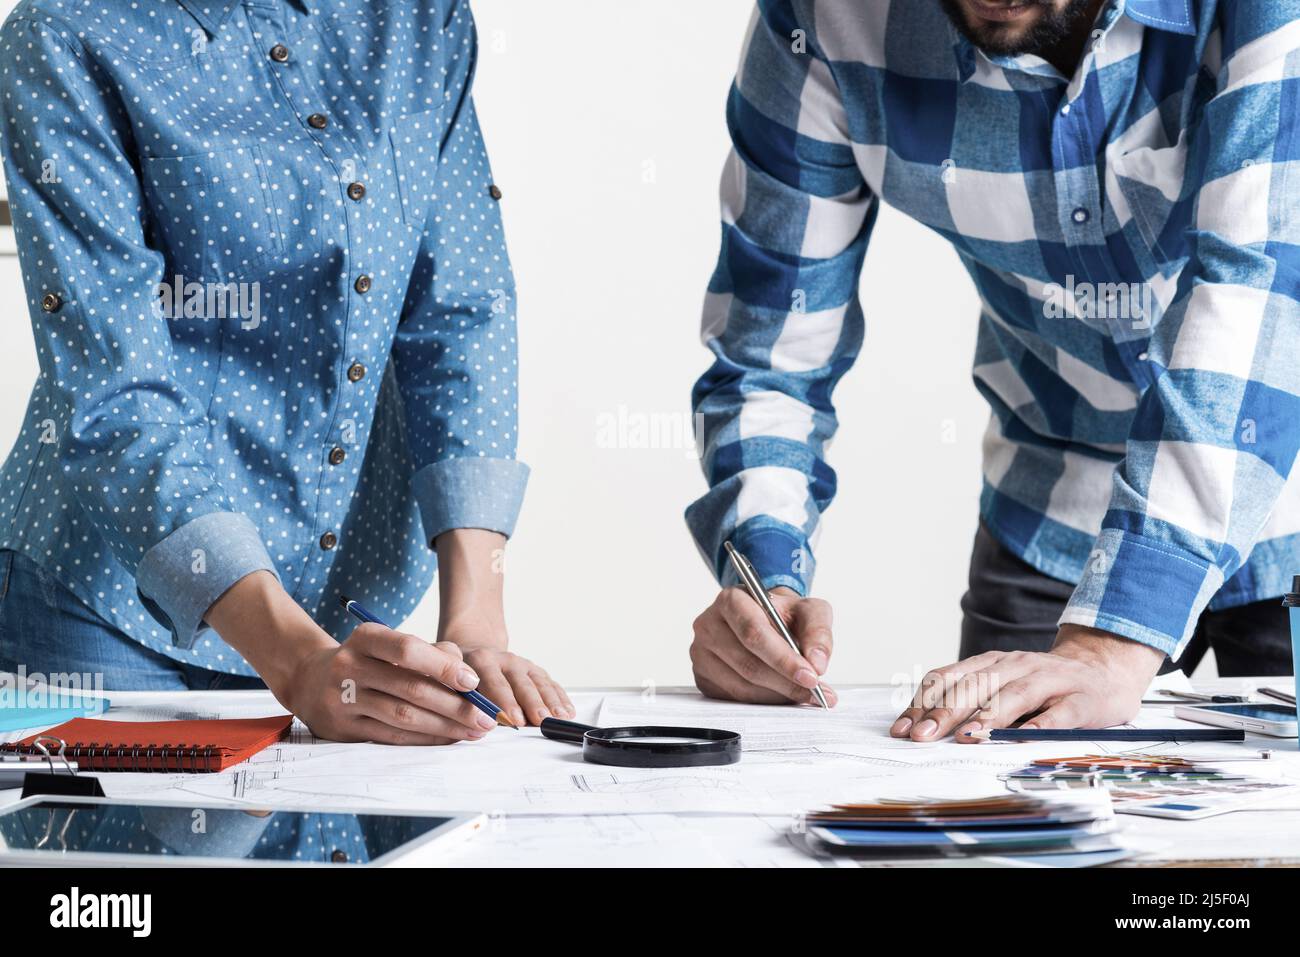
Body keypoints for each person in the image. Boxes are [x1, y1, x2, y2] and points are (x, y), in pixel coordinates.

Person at [686, 0, 1300, 740]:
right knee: (986, 794)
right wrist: (763, 575)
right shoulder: (819, 20)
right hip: (1052, 510)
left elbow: (1262, 291)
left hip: (1289, 494)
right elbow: (771, 355)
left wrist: (1112, 641)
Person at [0, 0, 572, 743]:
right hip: (106, 615)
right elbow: (114, 390)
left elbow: (462, 313)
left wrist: (474, 624)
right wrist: (295, 659)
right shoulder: (63, 34)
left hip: (346, 616)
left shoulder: (421, 19)